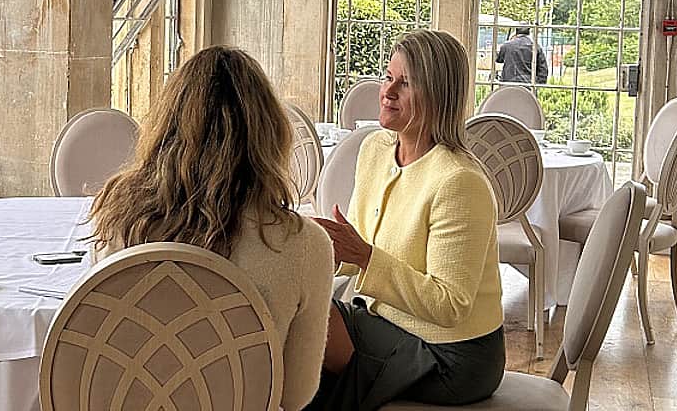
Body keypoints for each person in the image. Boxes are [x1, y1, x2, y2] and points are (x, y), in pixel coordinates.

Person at [89, 45, 335, 411]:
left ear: (164, 127)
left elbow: (99, 358)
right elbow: (294, 394)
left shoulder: (121, 216)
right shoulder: (304, 245)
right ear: (270, 133)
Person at [308, 30, 505, 409]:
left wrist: (363, 256)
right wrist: (319, 246)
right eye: (388, 77)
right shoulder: (376, 149)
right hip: (387, 323)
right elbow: (361, 250)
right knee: (300, 321)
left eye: (406, 83)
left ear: (438, 95)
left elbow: (451, 305)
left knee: (311, 334)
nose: (388, 91)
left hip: (452, 355)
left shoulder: (459, 181)